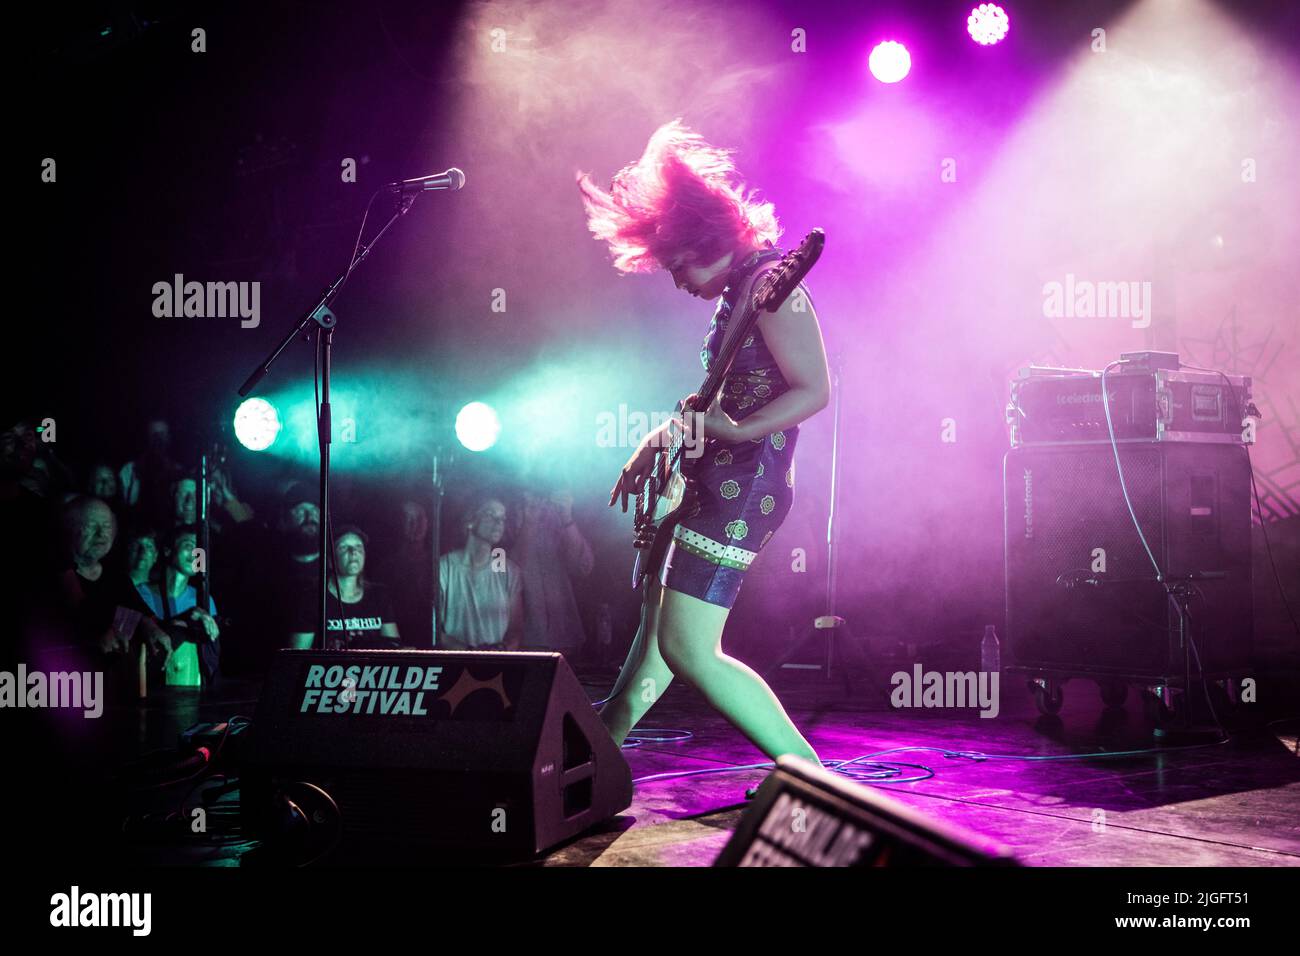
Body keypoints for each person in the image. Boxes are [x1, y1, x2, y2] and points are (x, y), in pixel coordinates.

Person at [577, 120, 829, 765]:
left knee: (689, 649)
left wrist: (737, 431)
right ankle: (590, 764)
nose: (675, 280)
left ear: (707, 240)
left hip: (744, 491)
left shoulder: (776, 291)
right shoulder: (737, 297)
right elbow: (717, 400)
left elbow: (814, 390)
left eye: (677, 264)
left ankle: (814, 779)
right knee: (655, 641)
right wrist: (662, 438)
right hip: (713, 481)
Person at [510, 486, 593, 654]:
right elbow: (508, 574)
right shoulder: (505, 517)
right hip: (524, 638)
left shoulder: (557, 517)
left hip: (565, 635)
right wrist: (529, 522)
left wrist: (567, 518)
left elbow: (583, 567)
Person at [289, 525, 400, 650]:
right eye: (343, 547)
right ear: (331, 560)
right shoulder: (313, 598)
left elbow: (393, 647)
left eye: (358, 546)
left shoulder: (379, 595)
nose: (353, 552)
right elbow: (297, 656)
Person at [136, 525, 221, 687]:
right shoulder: (141, 593)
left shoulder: (203, 600)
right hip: (147, 686)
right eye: (189, 545)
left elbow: (211, 657)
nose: (196, 553)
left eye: (200, 549)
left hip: (188, 687)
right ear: (168, 551)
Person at [434, 497, 523, 651]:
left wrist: (500, 651)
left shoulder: (508, 570)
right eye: (490, 515)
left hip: (497, 667)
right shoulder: (444, 567)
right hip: (454, 665)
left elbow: (515, 630)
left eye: (502, 518)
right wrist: (470, 652)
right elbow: (435, 630)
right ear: (470, 521)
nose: (499, 522)